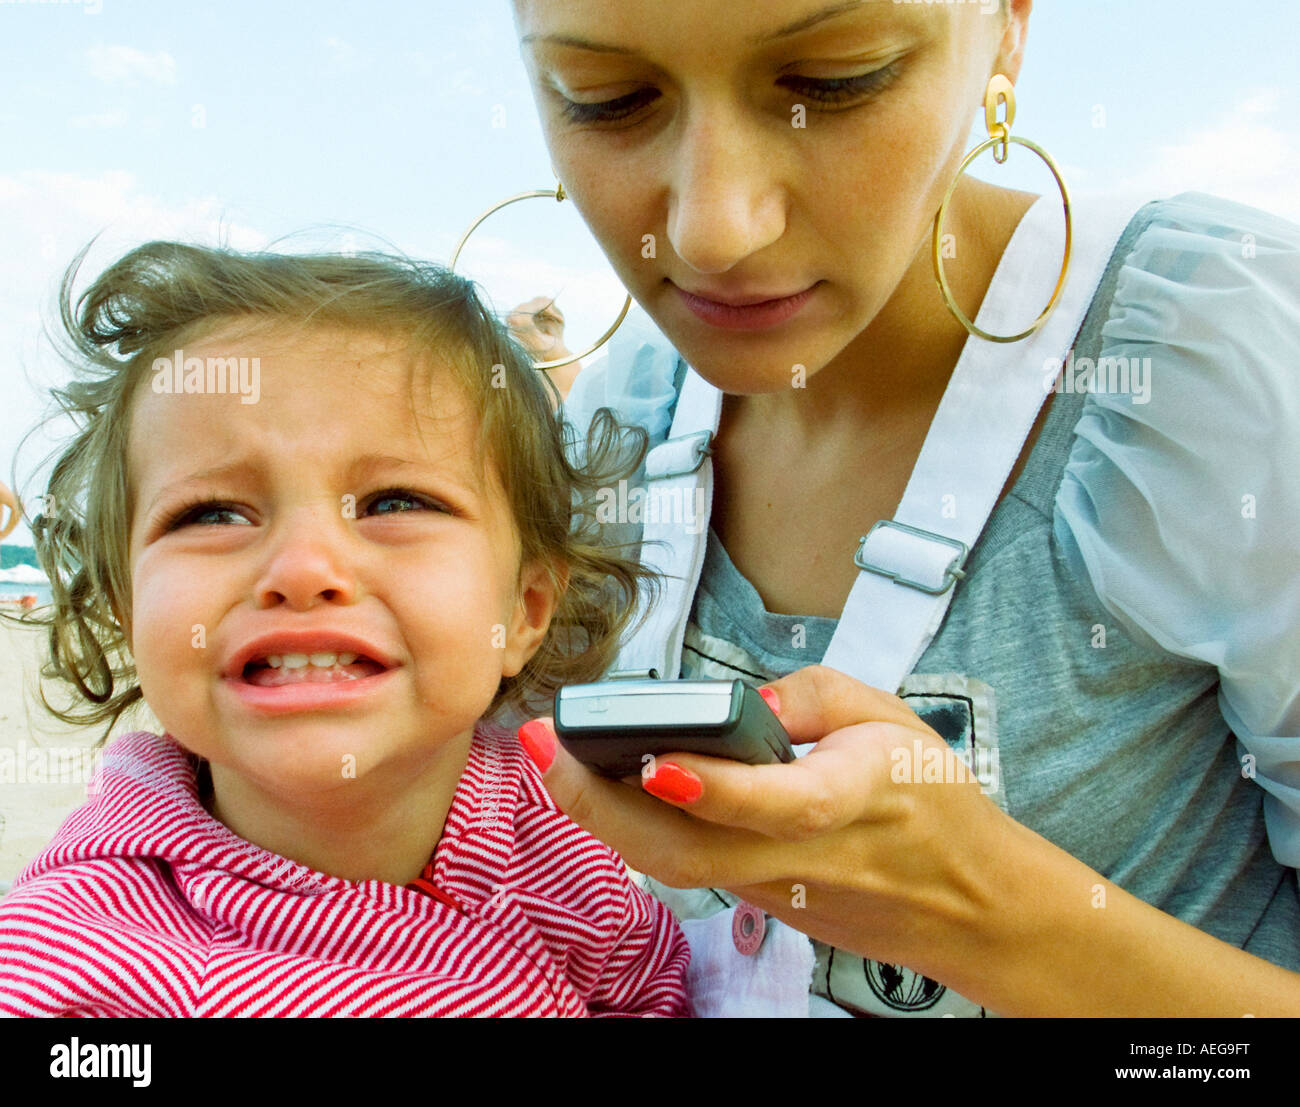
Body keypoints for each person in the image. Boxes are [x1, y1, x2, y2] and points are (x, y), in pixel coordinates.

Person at [507, 0, 1300, 1015]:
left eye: (834, 80)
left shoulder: (1226, 358)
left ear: (1006, 29)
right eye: (604, 99)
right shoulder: (635, 402)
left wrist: (984, 914)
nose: (715, 231)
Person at [0, 242, 690, 1017]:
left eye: (395, 502)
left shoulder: (571, 863)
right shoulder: (77, 961)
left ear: (524, 610)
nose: (301, 567)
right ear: (129, 610)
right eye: (213, 513)